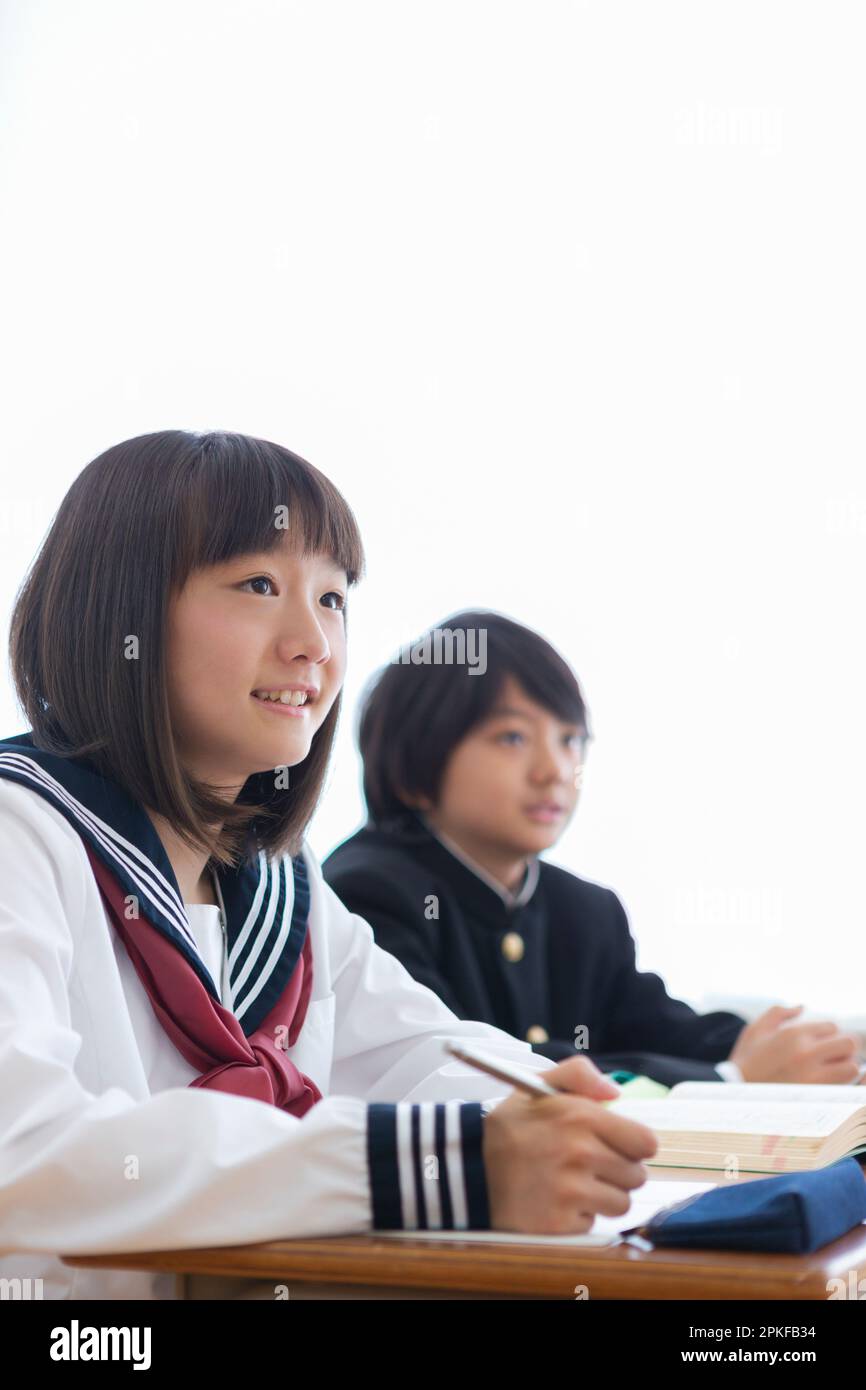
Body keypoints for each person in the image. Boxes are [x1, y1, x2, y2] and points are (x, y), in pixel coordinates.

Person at [0, 431, 657, 1300]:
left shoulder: (283, 880)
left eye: (335, 597)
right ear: (117, 612)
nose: (313, 641)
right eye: (260, 586)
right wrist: (437, 1169)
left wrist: (562, 1109)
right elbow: (21, 1152)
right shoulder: (22, 831)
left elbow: (416, 1050)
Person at [323, 611, 863, 1088]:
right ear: (416, 760)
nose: (555, 770)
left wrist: (803, 1046)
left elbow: (665, 1028)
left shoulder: (584, 909)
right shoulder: (366, 892)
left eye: (570, 739)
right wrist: (732, 1078)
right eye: (513, 737)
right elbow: (476, 1070)